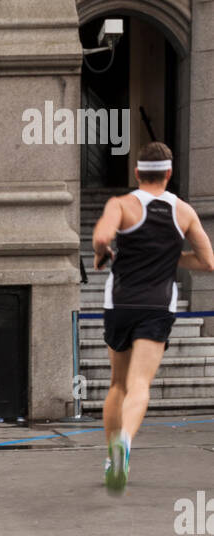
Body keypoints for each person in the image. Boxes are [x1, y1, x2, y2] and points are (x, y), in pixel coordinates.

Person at [92, 141, 214, 490]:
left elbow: (102, 235)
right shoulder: (184, 212)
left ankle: (110, 455)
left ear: (137, 173)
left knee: (117, 384)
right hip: (158, 305)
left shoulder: (122, 204)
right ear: (169, 174)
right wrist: (168, 254)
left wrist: (103, 252)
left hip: (120, 303)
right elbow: (208, 262)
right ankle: (125, 442)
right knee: (140, 384)